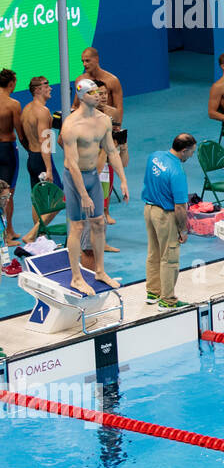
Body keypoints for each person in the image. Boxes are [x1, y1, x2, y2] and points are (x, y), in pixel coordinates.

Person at [61, 78, 129, 295]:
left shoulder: (104, 120)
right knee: (78, 226)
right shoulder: (71, 125)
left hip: (93, 175)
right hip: (75, 179)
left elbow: (111, 150)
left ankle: (99, 270)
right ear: (82, 96)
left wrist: (123, 179)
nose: (98, 95)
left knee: (99, 223)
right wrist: (83, 194)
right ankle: (76, 277)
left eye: (99, 92)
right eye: (93, 93)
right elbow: (71, 163)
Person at [142, 133, 196, 309]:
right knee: (169, 258)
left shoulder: (155, 156)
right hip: (165, 216)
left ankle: (153, 292)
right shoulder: (177, 172)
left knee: (154, 252)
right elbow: (180, 207)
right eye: (191, 152)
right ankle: (167, 299)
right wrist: (183, 230)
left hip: (149, 209)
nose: (192, 155)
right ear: (184, 150)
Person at [74, 47, 127, 222]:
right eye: (82, 60)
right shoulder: (80, 81)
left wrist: (116, 131)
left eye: (87, 60)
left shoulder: (112, 81)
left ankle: (105, 211)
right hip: (88, 131)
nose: (84, 64)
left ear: (97, 59)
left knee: (107, 170)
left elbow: (118, 109)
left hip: (107, 129)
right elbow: (75, 106)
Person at [18, 76, 59, 245]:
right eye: (46, 85)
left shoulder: (26, 109)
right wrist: (49, 169)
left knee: (38, 200)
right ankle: (34, 233)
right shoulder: (42, 111)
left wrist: (30, 152)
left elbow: (22, 136)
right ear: (37, 90)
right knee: (61, 197)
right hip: (43, 161)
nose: (50, 87)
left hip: (32, 158)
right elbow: (45, 141)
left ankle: (39, 237)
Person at [0, 69, 20, 244]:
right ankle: (6, 234)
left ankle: (10, 231)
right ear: (11, 83)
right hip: (8, 150)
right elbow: (20, 133)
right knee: (7, 194)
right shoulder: (13, 104)